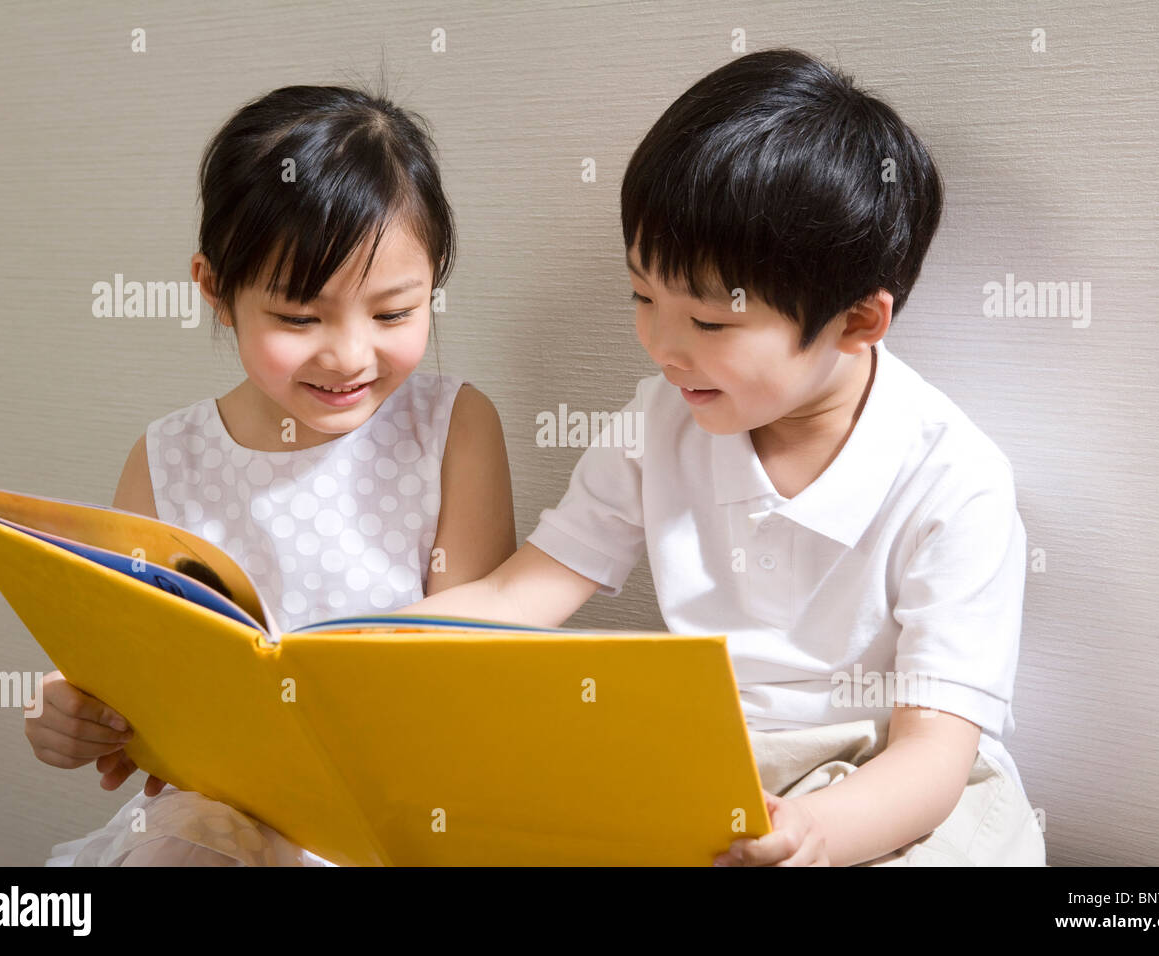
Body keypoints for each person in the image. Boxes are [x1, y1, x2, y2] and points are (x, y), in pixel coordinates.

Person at [403, 49, 1047, 867]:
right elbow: (519, 593)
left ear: (857, 322)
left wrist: (814, 832)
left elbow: (934, 758)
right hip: (717, 762)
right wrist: (347, 644)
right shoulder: (658, 424)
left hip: (892, 784)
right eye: (642, 296)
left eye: (710, 324)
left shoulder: (956, 483)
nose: (662, 347)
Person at [28, 84, 516, 865]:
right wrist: (72, 707)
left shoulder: (453, 427)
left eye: (394, 314)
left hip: (398, 813)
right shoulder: (167, 458)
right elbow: (127, 659)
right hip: (221, 820)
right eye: (299, 318)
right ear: (216, 290)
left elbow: (479, 656)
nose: (349, 355)